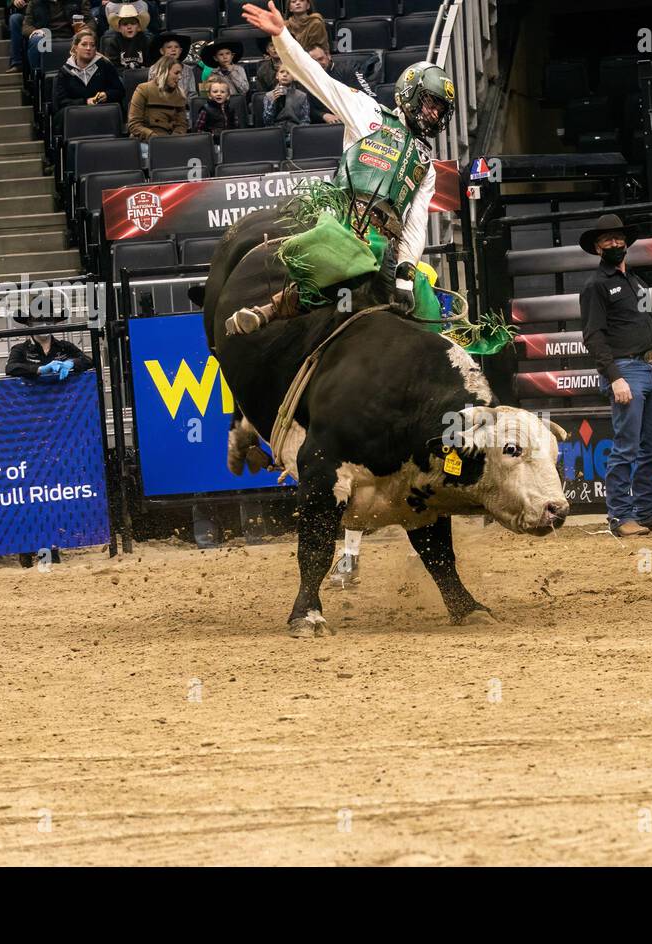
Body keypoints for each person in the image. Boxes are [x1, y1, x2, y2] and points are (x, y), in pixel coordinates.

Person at [241, 0, 456, 586]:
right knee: (314, 285)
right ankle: (259, 370)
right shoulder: (364, 112)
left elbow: (414, 227)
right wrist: (284, 38)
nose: (436, 115)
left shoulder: (428, 166)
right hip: (337, 229)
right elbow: (317, 79)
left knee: (421, 325)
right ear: (412, 97)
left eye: (443, 110)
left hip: (381, 255)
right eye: (433, 104)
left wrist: (409, 273)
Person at [575, 214, 652, 537]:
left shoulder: (638, 282)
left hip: (651, 369)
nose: (615, 243)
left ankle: (647, 511)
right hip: (626, 370)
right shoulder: (595, 286)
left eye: (618, 238)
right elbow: (593, 336)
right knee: (626, 447)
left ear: (625, 242)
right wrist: (615, 376)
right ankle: (620, 517)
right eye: (607, 240)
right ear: (597, 247)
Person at [51, 29, 124, 132]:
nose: (89, 48)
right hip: (76, 115)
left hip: (101, 112)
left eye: (92, 45)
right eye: (84, 44)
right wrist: (85, 102)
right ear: (75, 47)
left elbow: (120, 91)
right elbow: (61, 102)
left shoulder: (105, 66)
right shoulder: (65, 72)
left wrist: (107, 95)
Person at [127, 54, 188, 147]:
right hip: (145, 141)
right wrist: (154, 137)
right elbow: (134, 125)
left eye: (180, 74)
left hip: (171, 142)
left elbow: (181, 125)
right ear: (164, 72)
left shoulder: (180, 95)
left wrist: (173, 139)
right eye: (176, 73)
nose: (180, 77)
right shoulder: (143, 89)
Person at [23, 0, 97, 74]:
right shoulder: (35, 2)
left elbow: (90, 21)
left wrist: (86, 30)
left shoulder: (79, 1)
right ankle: (37, 75)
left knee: (86, 38)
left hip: (71, 36)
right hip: (46, 38)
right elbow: (26, 26)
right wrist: (35, 31)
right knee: (36, 40)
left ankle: (86, 74)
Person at [261, 61, 309, 133]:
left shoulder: (302, 96)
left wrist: (299, 134)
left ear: (294, 77)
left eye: (288, 72)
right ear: (277, 76)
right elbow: (267, 122)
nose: (285, 75)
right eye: (282, 72)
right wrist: (272, 104)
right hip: (275, 132)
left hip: (295, 131)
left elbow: (305, 120)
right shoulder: (269, 96)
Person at [99, 4, 151, 71]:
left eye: (133, 23)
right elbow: (112, 67)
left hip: (143, 76)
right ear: (119, 28)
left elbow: (150, 64)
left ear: (138, 26)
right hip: (121, 77)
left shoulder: (146, 40)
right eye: (125, 24)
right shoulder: (113, 42)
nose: (129, 27)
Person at [6, 0, 30, 72]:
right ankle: (17, 63)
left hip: (44, 13)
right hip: (25, 14)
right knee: (14, 18)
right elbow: (8, 2)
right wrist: (14, 1)